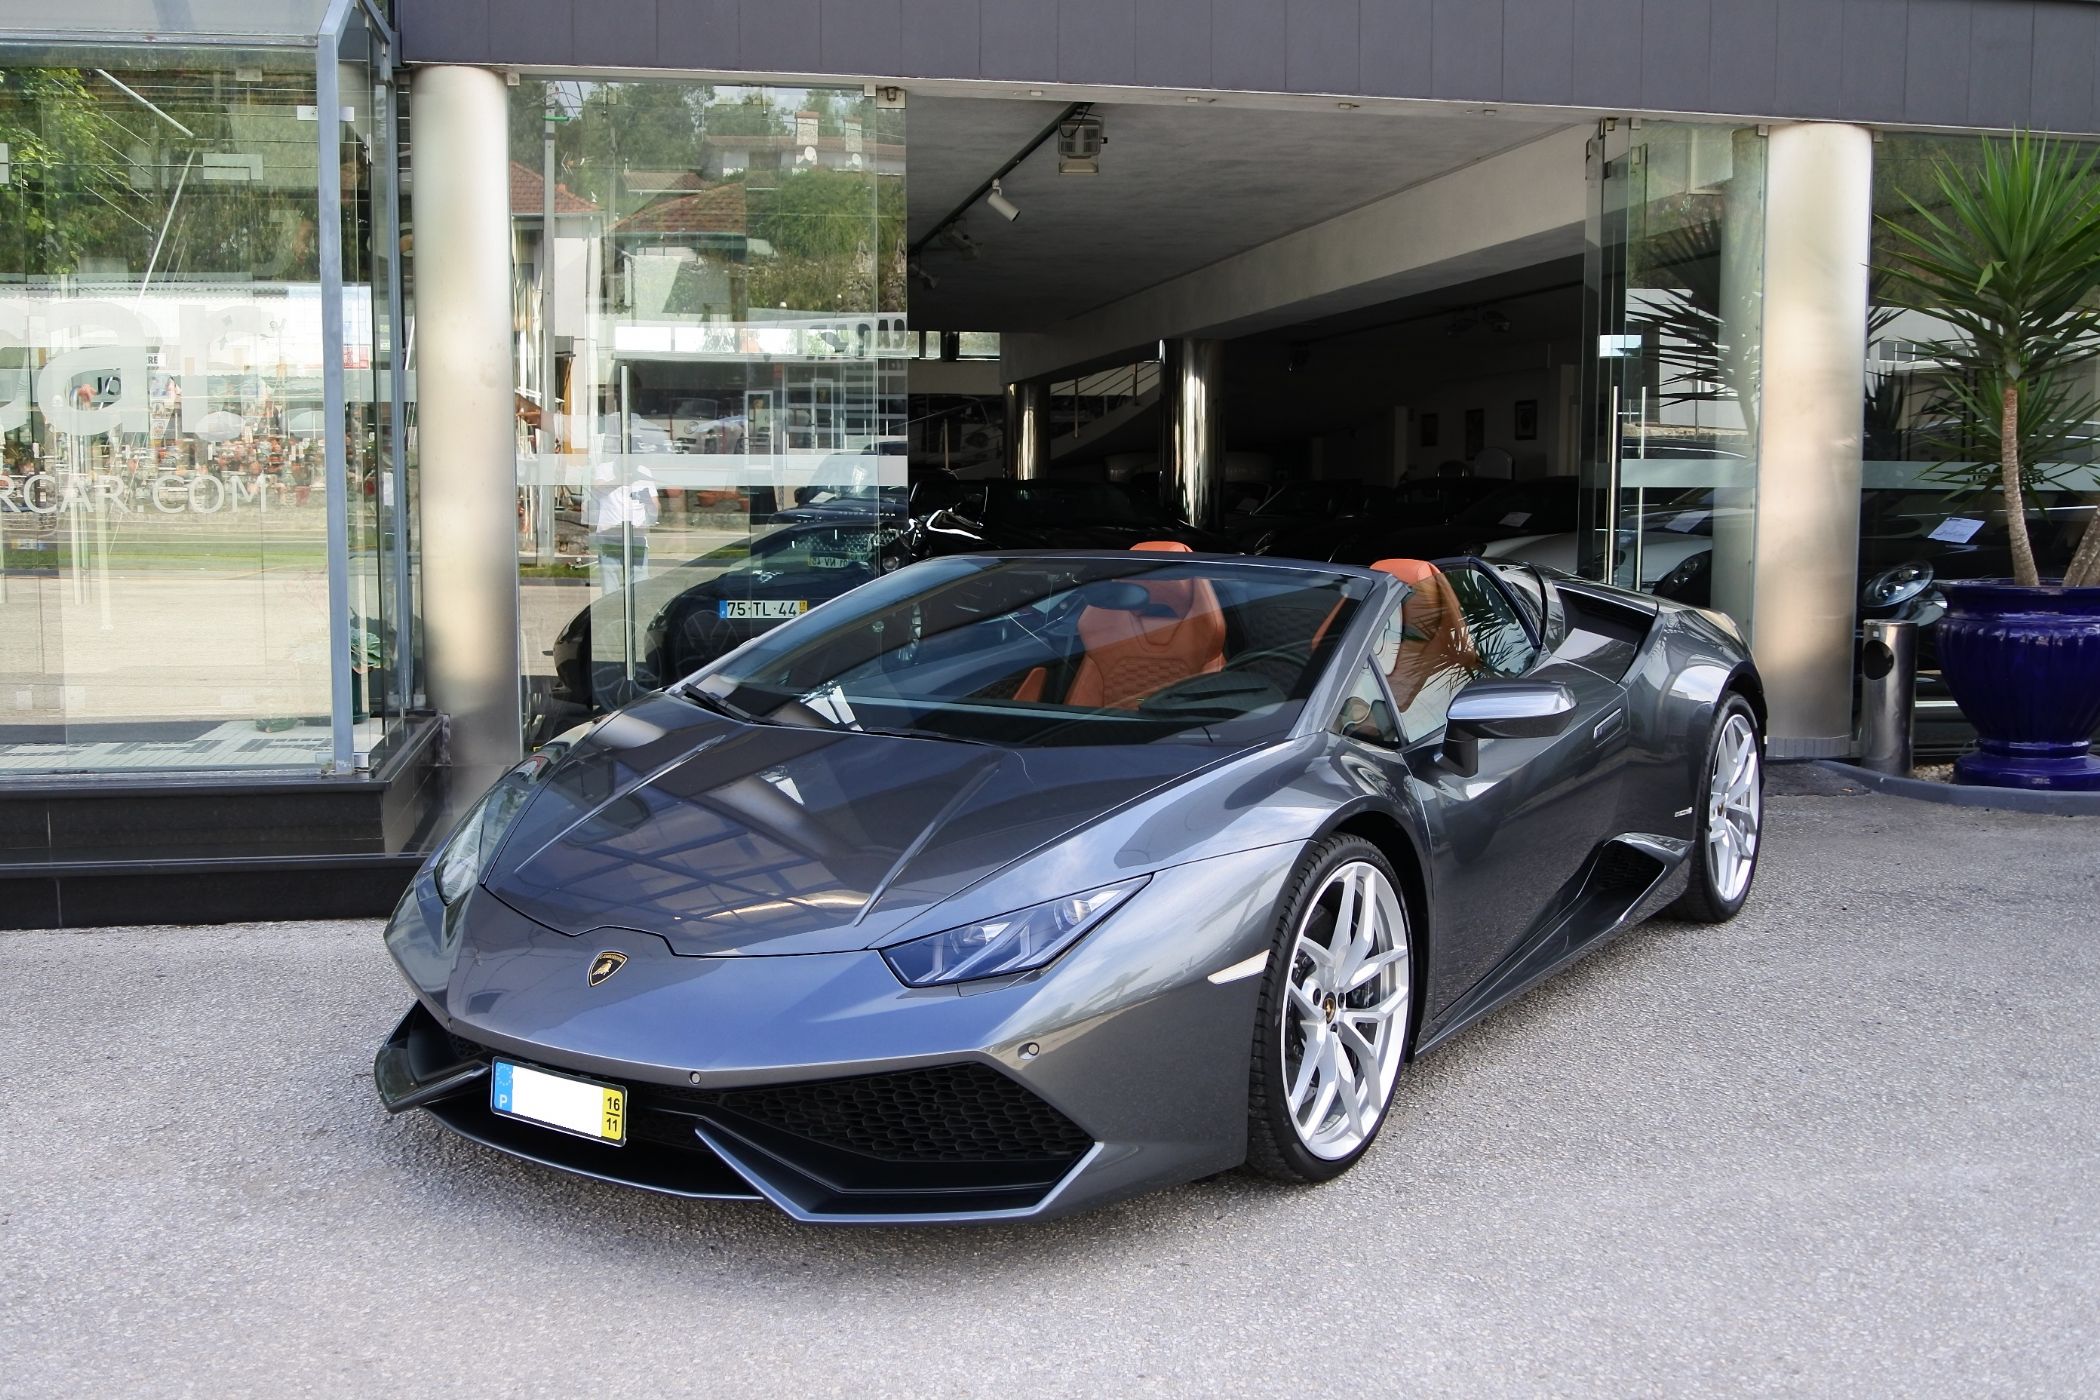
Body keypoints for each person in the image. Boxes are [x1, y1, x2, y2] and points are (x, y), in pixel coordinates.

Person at [588, 457, 659, 596]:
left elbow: (655, 505)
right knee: (610, 588)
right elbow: (596, 489)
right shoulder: (605, 468)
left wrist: (647, 506)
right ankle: (611, 615)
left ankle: (636, 616)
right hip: (609, 536)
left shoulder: (644, 472)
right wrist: (621, 479)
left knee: (638, 586)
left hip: (636, 536)